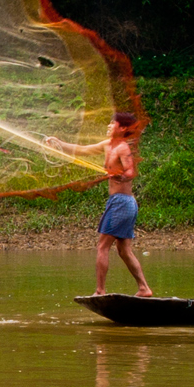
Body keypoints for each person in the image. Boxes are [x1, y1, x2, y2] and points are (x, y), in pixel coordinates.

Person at [45, 113, 152, 297]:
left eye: (113, 123)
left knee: (103, 246)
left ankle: (100, 290)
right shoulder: (107, 145)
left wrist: (122, 175)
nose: (109, 125)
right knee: (124, 250)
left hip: (121, 203)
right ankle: (144, 288)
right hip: (122, 203)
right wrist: (59, 144)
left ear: (123, 128)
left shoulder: (122, 148)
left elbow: (131, 171)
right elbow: (82, 149)